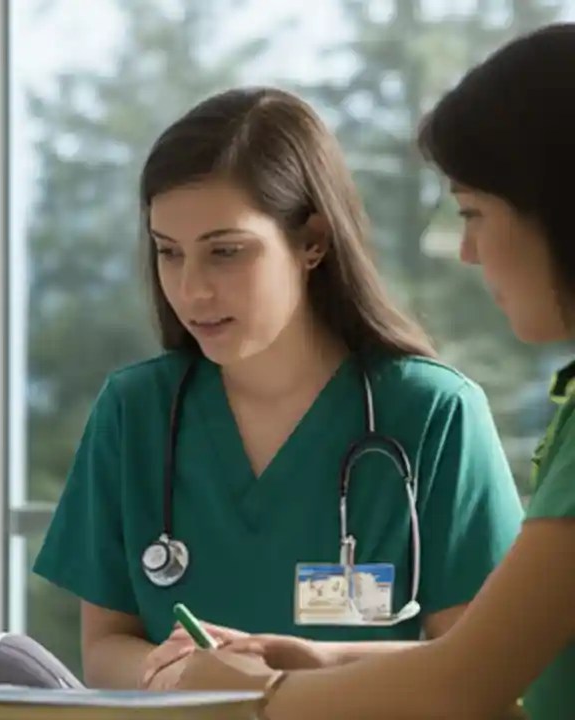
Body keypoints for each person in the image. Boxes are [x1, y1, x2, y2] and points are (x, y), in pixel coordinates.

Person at [30, 86, 525, 691]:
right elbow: (107, 644)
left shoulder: (433, 415)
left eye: (226, 253)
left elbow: (480, 667)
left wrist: (284, 679)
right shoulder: (135, 413)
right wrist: (182, 678)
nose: (192, 290)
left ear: (312, 240)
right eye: (169, 253)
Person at [172, 23, 575, 720]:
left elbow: (468, 682)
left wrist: (259, 698)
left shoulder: (435, 407)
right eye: (168, 252)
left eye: (473, 213)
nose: (469, 251)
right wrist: (326, 658)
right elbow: (504, 654)